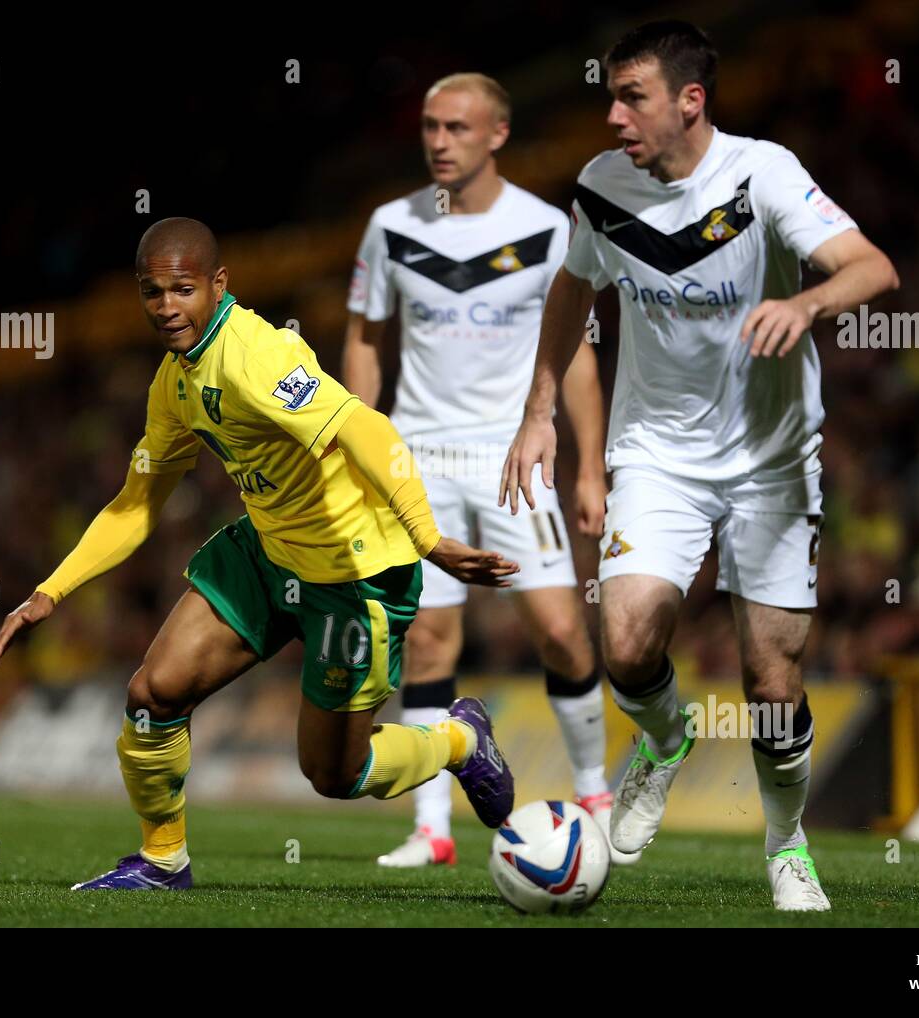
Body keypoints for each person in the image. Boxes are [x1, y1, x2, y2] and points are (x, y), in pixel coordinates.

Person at [0, 217, 518, 889]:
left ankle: (460, 742)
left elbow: (363, 426)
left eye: (182, 289)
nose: (167, 308)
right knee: (153, 692)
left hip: (357, 575)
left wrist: (428, 538)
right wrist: (49, 592)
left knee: (334, 774)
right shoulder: (175, 383)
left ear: (217, 285)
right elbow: (138, 501)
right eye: (153, 293)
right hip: (270, 552)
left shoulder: (257, 357)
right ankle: (162, 861)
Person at [501, 22, 900, 910]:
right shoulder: (603, 189)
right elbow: (573, 286)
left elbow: (872, 268)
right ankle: (667, 741)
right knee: (629, 641)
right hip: (657, 455)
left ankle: (786, 843)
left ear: (691, 100)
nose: (612, 116)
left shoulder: (764, 174)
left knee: (771, 682)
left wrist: (807, 300)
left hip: (771, 464)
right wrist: (540, 417)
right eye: (609, 95)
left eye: (631, 97)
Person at [344, 73, 627, 867]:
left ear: (498, 134)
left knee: (563, 629)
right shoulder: (390, 226)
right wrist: (362, 444)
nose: (439, 141)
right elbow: (366, 337)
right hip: (418, 461)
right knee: (429, 640)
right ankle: (432, 828)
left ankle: (594, 794)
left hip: (512, 455)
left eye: (457, 128)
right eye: (430, 126)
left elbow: (574, 357)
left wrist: (588, 467)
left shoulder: (545, 230)